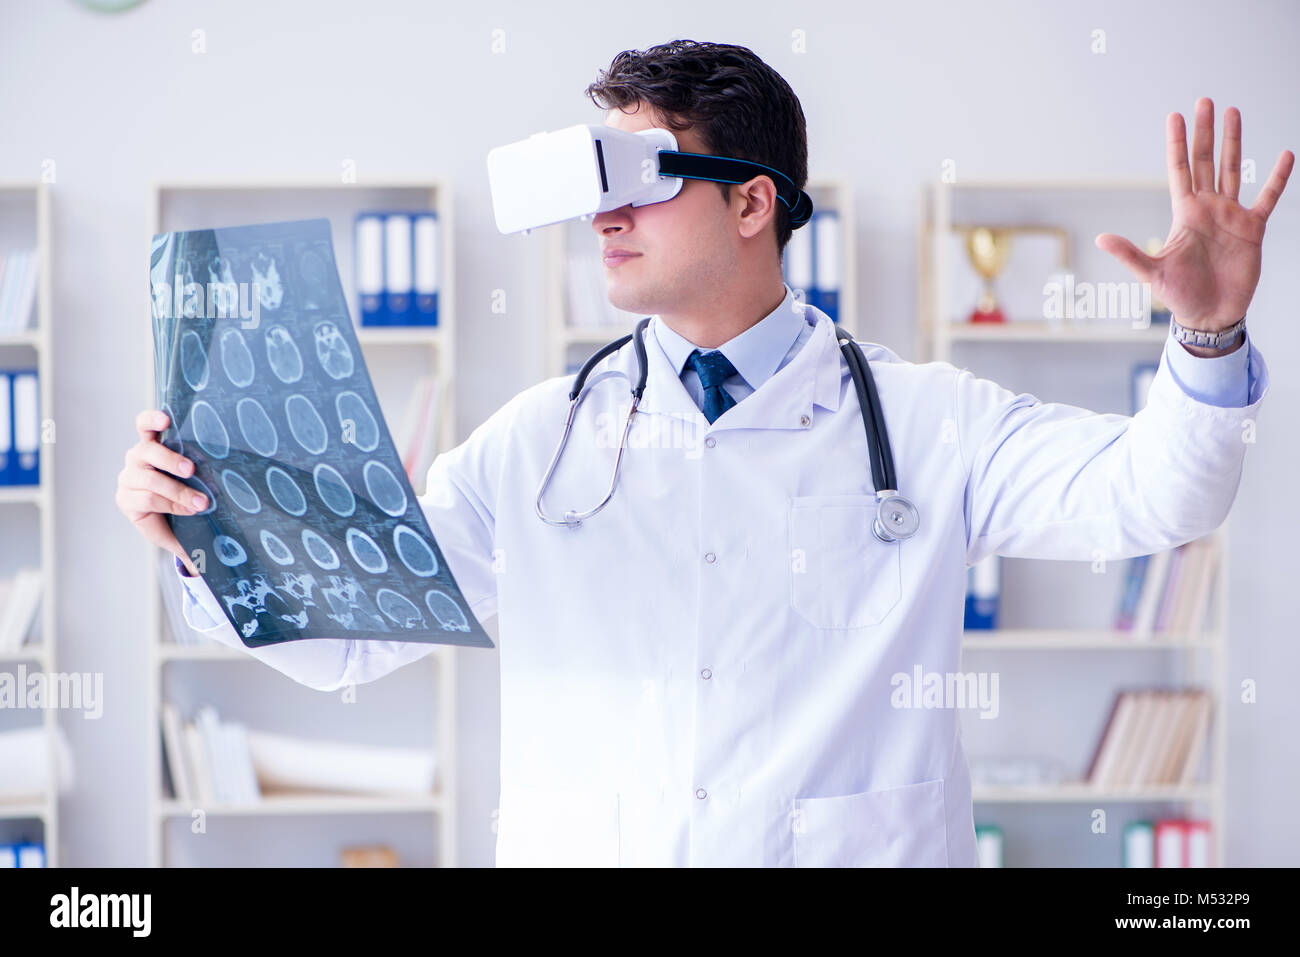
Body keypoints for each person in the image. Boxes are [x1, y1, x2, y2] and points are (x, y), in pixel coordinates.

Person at [116, 39, 1290, 866]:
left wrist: (1207, 332)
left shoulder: (932, 424)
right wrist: (199, 539)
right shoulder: (538, 444)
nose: (603, 217)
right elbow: (349, 640)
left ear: (752, 204)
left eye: (639, 181)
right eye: (594, 187)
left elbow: (1157, 498)